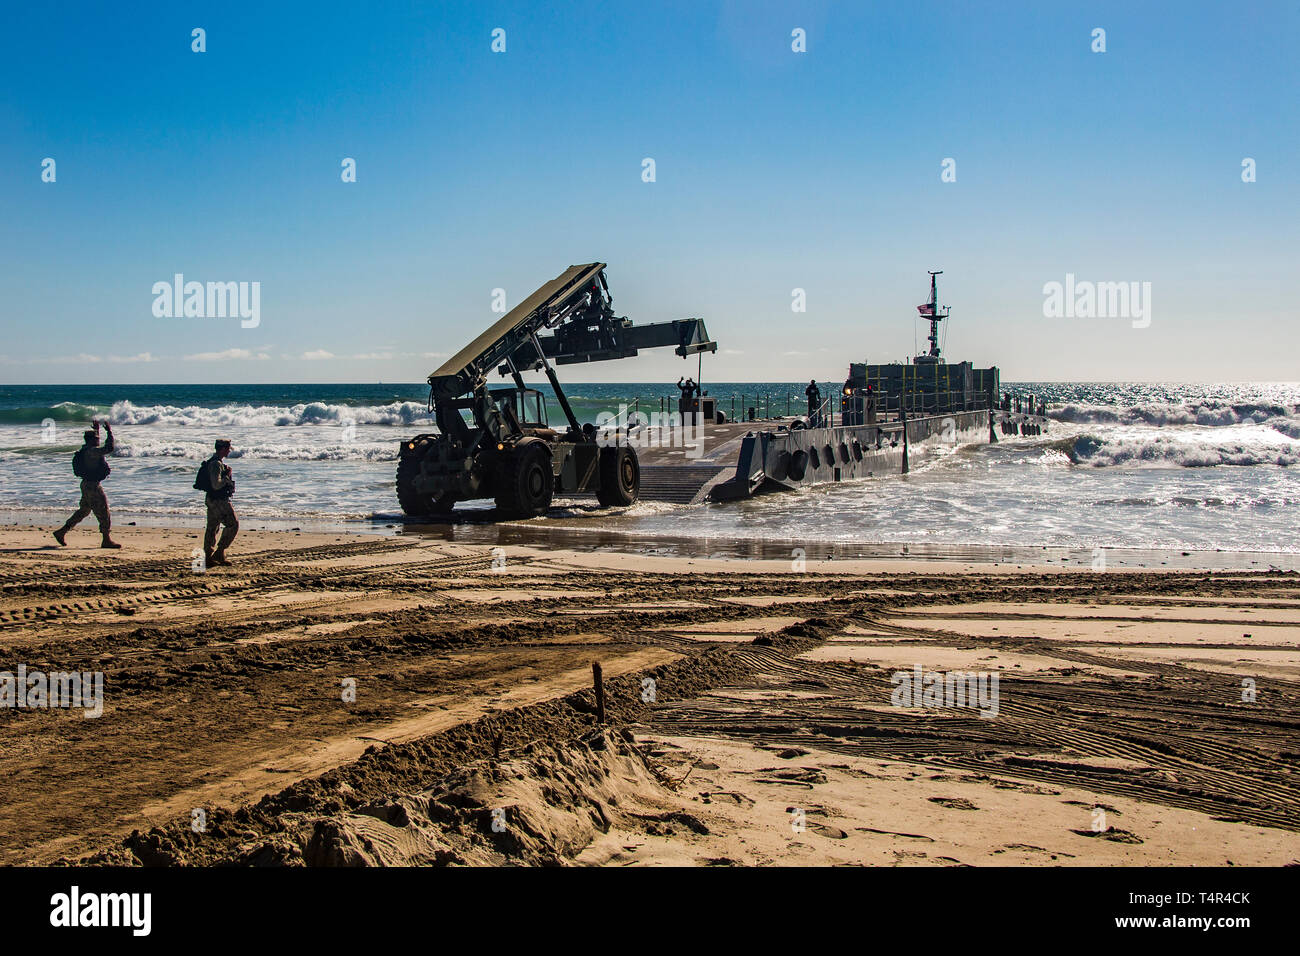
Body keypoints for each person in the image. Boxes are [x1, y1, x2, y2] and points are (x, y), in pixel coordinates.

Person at [54, 420, 121, 549]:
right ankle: (106, 539)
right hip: (93, 486)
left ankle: (61, 532)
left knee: (84, 511)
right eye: (96, 439)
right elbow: (109, 448)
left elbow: (97, 443)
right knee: (104, 512)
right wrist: (110, 432)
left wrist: (97, 430)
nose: (97, 441)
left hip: (86, 484)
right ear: (91, 441)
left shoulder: (86, 450)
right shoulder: (92, 451)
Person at [201, 439, 238, 567]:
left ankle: (208, 557)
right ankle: (219, 552)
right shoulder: (216, 464)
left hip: (211, 499)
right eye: (228, 449)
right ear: (222, 449)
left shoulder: (214, 462)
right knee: (233, 524)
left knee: (212, 527)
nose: (229, 451)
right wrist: (226, 480)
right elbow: (216, 484)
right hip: (219, 501)